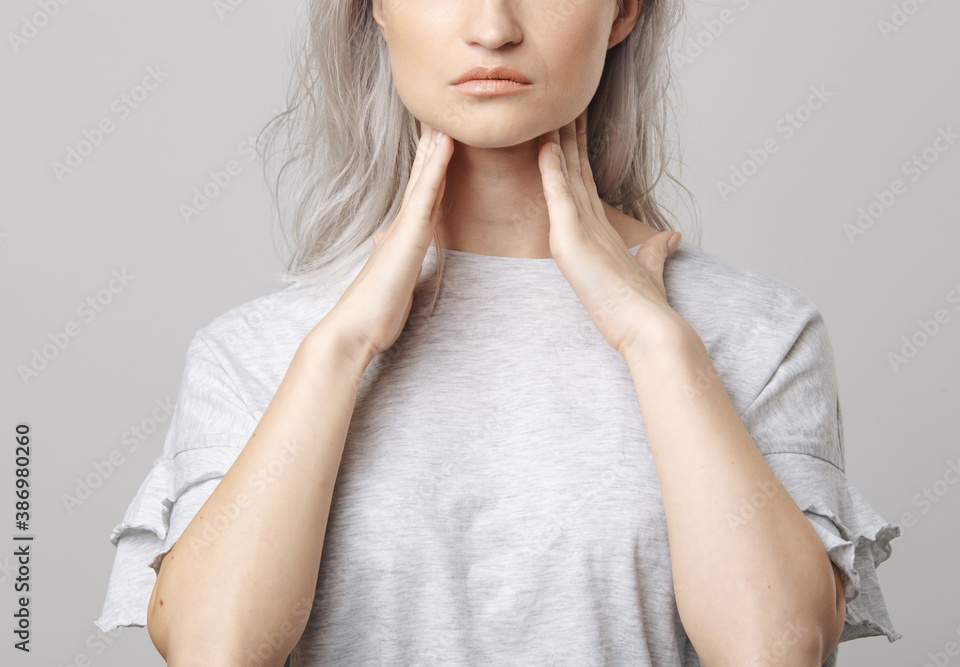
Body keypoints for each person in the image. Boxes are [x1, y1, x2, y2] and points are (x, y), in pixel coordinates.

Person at [95, 1, 902, 665]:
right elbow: (214, 650)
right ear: (375, 8)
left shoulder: (756, 335)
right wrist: (340, 351)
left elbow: (775, 651)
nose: (492, 26)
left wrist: (656, 343)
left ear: (622, 13)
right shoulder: (256, 352)